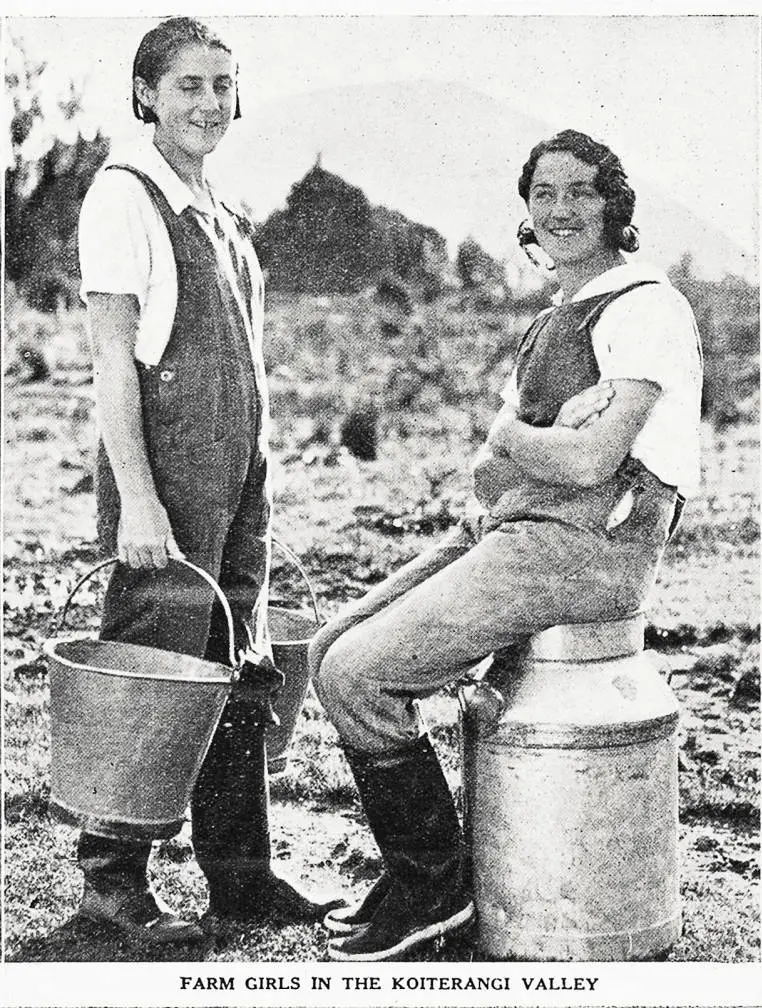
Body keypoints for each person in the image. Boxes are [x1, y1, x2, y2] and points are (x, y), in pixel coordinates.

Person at [309, 128, 703, 962]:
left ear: (614, 205)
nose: (561, 210)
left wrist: (515, 436)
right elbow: (491, 473)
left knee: (360, 675)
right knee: (328, 650)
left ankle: (433, 894)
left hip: (588, 550)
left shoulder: (645, 305)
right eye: (544, 194)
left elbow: (592, 458)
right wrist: (530, 439)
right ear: (526, 209)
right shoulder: (556, 317)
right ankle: (422, 870)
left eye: (581, 192)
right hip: (515, 527)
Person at [76, 16, 340, 944]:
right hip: (167, 474)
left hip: (237, 470)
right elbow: (112, 363)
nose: (210, 103)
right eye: (189, 84)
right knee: (155, 664)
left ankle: (242, 878)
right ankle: (112, 884)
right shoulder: (125, 196)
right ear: (146, 93)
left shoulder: (218, 209)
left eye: (224, 84)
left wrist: (255, 482)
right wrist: (140, 499)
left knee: (242, 660)